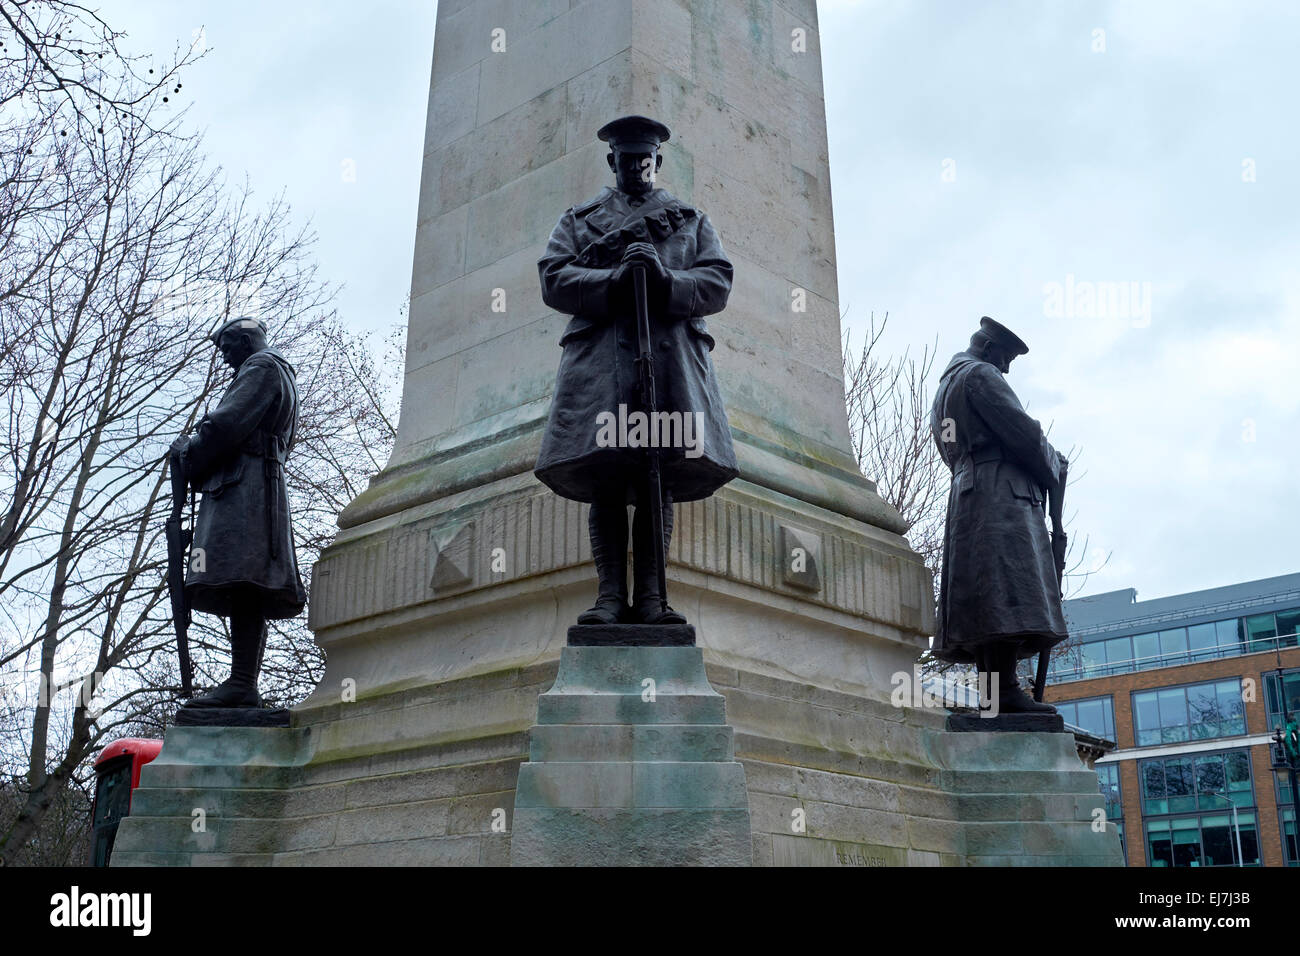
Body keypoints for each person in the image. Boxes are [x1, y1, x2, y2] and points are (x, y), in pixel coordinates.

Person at [534, 115, 737, 625]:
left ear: (657, 162)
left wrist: (667, 280)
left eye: (643, 160)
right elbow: (553, 276)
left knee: (658, 477)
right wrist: (613, 278)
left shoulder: (689, 221)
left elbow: (717, 281)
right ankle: (608, 597)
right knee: (606, 475)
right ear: (612, 162)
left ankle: (651, 597)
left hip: (667, 364)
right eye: (625, 161)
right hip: (602, 365)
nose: (635, 167)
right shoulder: (580, 221)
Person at [930, 317, 1067, 714]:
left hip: (968, 492)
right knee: (1007, 590)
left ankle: (996, 694)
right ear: (989, 349)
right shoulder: (981, 376)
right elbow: (1023, 433)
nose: (1005, 369)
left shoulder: (943, 389)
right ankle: (1003, 690)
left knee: (987, 595)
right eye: (1005, 358)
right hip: (1000, 492)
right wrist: (1053, 464)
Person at [170, 316, 305, 707]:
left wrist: (189, 449)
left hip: (245, 487)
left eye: (228, 347)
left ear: (245, 341)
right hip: (255, 485)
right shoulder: (275, 371)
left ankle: (243, 682)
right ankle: (242, 682)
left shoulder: (261, 367)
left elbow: (226, 426)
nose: (225, 357)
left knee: (246, 582)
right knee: (248, 584)